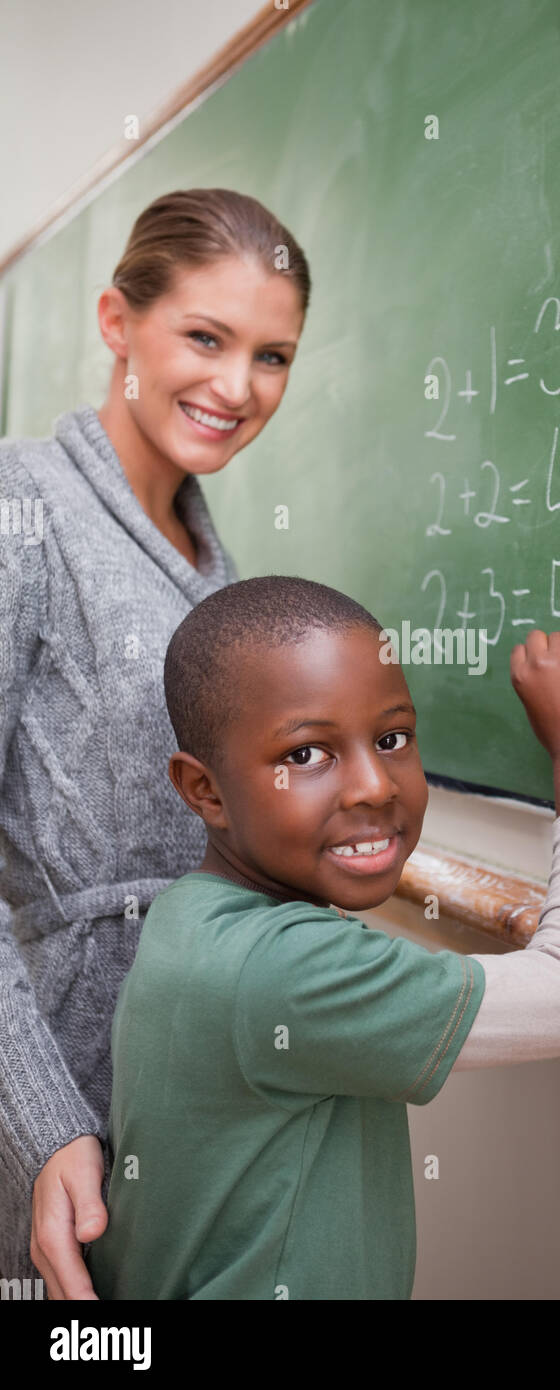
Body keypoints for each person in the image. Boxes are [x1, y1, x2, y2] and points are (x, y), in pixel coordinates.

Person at [85, 574, 560, 1299]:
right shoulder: (288, 970)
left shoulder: (188, 917)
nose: (375, 785)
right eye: (307, 755)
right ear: (206, 792)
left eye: (392, 738)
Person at [0, 188, 311, 1297]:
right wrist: (40, 1130)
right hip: (55, 1113)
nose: (237, 387)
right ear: (115, 320)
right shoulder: (19, 502)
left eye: (272, 355)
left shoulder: (219, 576)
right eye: (204, 336)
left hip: (197, 1113)